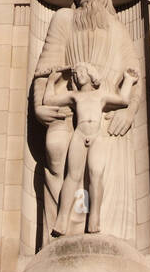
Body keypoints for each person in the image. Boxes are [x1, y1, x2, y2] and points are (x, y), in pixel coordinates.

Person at [42, 63, 139, 235]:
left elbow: (123, 100)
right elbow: (49, 100)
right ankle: (62, 219)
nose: (78, 75)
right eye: (76, 73)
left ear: (91, 74)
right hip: (79, 134)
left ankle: (94, 218)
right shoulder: (74, 96)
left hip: (96, 137)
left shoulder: (100, 95)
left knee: (96, 175)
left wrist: (129, 80)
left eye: (82, 72)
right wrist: (50, 81)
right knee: (72, 176)